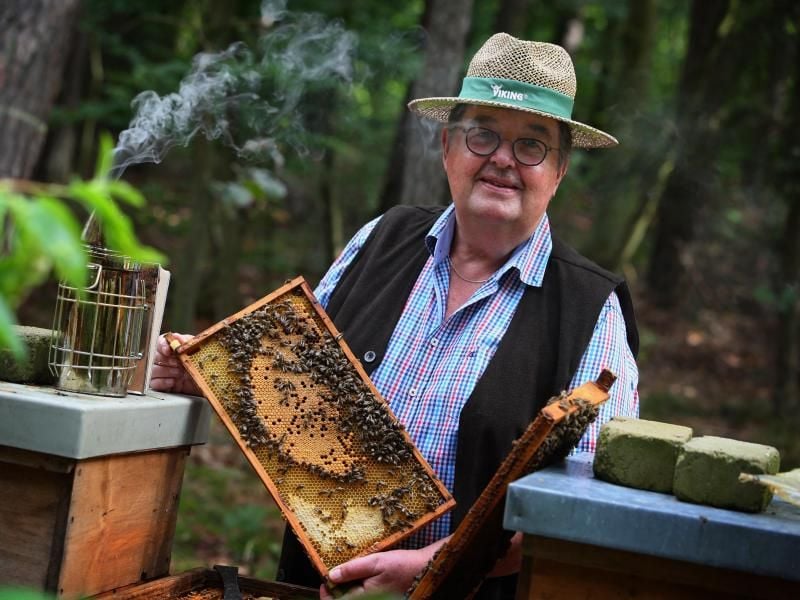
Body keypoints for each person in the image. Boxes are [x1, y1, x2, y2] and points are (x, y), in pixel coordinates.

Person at [151, 33, 639, 599]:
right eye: (483, 134)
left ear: (558, 171)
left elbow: (584, 512)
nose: (503, 159)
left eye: (532, 145)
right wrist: (216, 375)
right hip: (320, 588)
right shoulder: (381, 239)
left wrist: (436, 565)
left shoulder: (590, 308)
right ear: (447, 147)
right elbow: (297, 394)